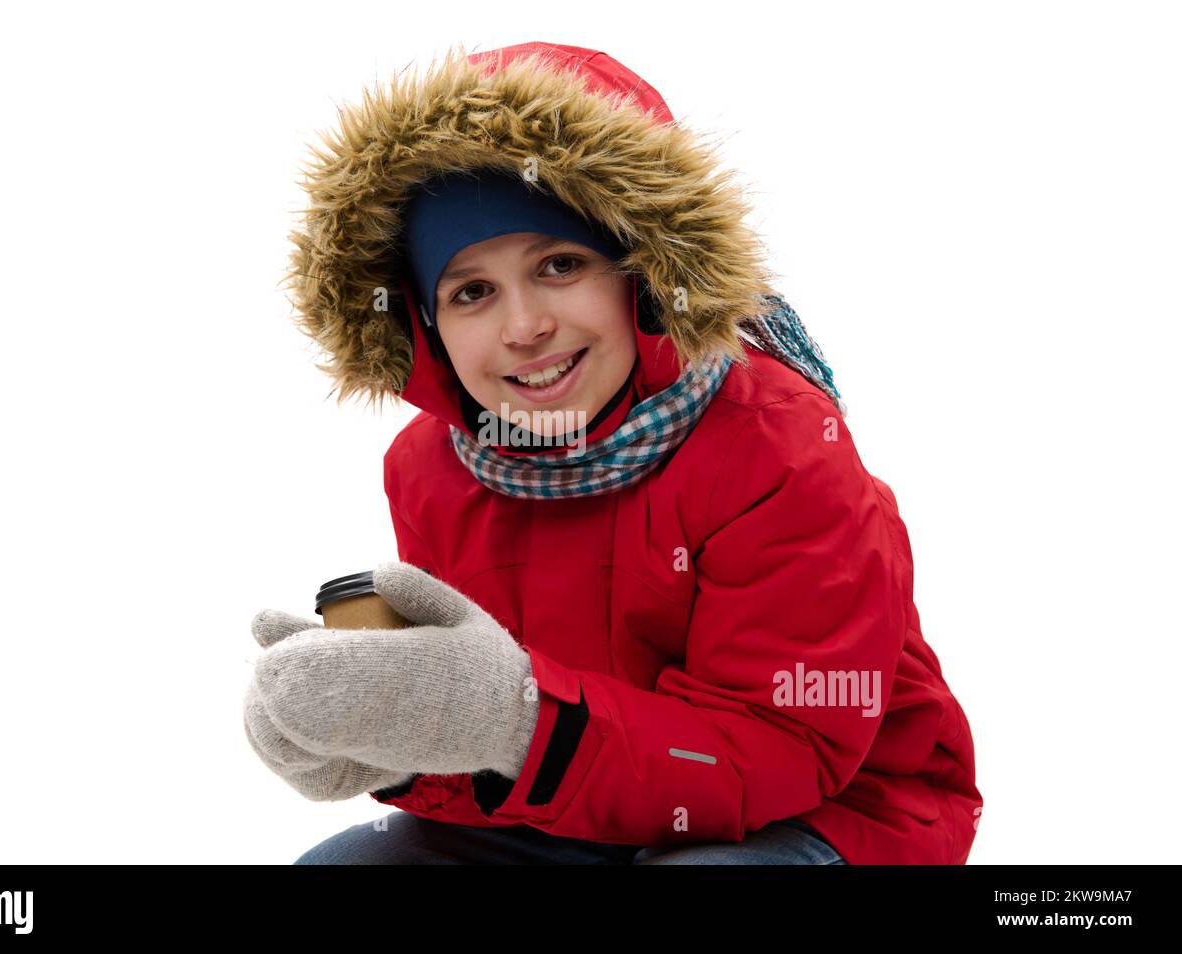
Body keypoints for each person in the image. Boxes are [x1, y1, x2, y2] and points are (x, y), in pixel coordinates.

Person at [246, 42, 982, 865]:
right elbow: (489, 736)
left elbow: (784, 746)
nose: (523, 326)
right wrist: (394, 747)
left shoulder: (779, 446)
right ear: (426, 327)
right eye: (472, 292)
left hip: (821, 809)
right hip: (567, 801)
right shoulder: (430, 468)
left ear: (644, 272)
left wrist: (513, 720)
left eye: (560, 264)